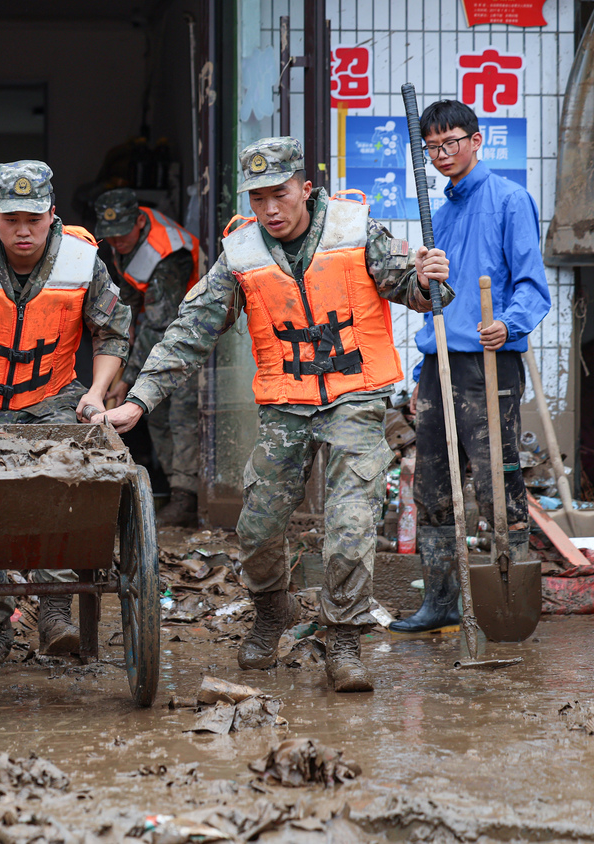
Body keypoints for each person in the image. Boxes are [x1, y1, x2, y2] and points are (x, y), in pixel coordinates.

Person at [98, 137, 453, 692]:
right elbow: (190, 330)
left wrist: (430, 278)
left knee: (351, 524)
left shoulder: (355, 230)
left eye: (281, 194)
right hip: (285, 405)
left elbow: (415, 290)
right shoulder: (240, 253)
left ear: (305, 189)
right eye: (258, 196)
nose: (270, 209)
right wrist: (139, 400)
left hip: (355, 398)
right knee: (258, 526)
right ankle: (270, 612)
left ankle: (343, 639)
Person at [0, 161, 132, 668]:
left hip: (52, 398)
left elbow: (112, 331)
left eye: (33, 218)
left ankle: (55, 611)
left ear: (53, 213)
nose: (22, 231)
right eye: (9, 220)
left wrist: (94, 392)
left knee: (73, 490)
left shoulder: (82, 258)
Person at [392, 100, 551, 634]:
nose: (441, 155)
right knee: (433, 487)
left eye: (451, 143)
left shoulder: (509, 200)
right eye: (432, 147)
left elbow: (532, 285)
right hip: (439, 364)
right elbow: (433, 299)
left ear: (477, 140)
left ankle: (506, 598)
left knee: (495, 486)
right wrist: (420, 378)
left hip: (489, 365)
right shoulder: (442, 212)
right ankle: (441, 600)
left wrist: (508, 324)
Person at [96, 188, 205, 527]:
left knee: (181, 413)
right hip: (156, 334)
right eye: (110, 236)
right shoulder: (120, 244)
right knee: (156, 414)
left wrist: (127, 379)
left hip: (192, 335)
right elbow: (130, 302)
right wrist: (120, 355)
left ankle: (187, 497)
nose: (116, 242)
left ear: (140, 221)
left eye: (122, 233)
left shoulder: (169, 253)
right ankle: (175, 486)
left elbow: (160, 322)